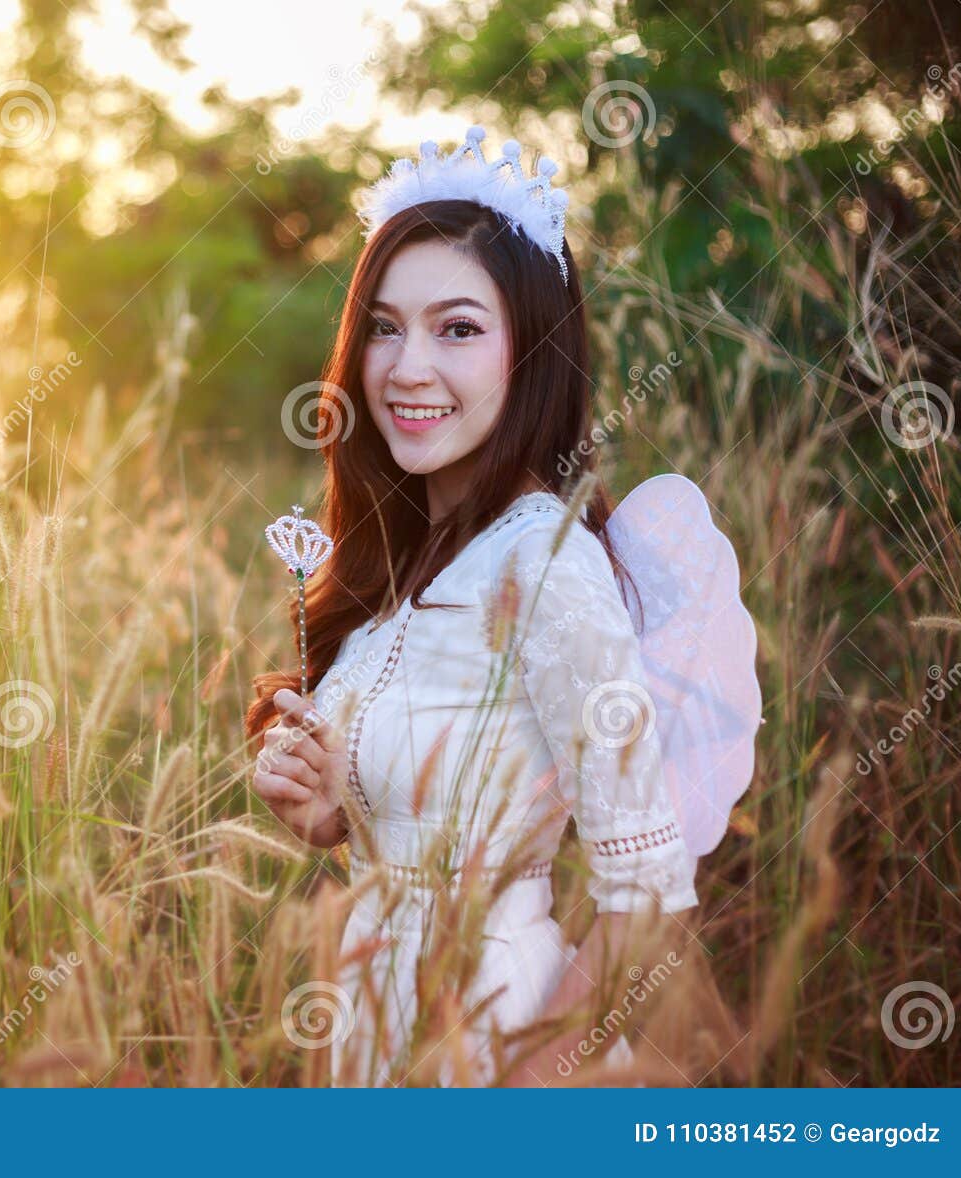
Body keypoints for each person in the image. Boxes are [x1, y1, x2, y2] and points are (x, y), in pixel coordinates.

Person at [245, 128, 706, 1087]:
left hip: (497, 1034)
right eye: (382, 325)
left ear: (531, 352)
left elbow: (650, 897)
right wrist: (335, 814)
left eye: (457, 328)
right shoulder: (403, 562)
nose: (407, 367)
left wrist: (530, 1082)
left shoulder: (544, 562)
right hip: (377, 1016)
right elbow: (415, 845)